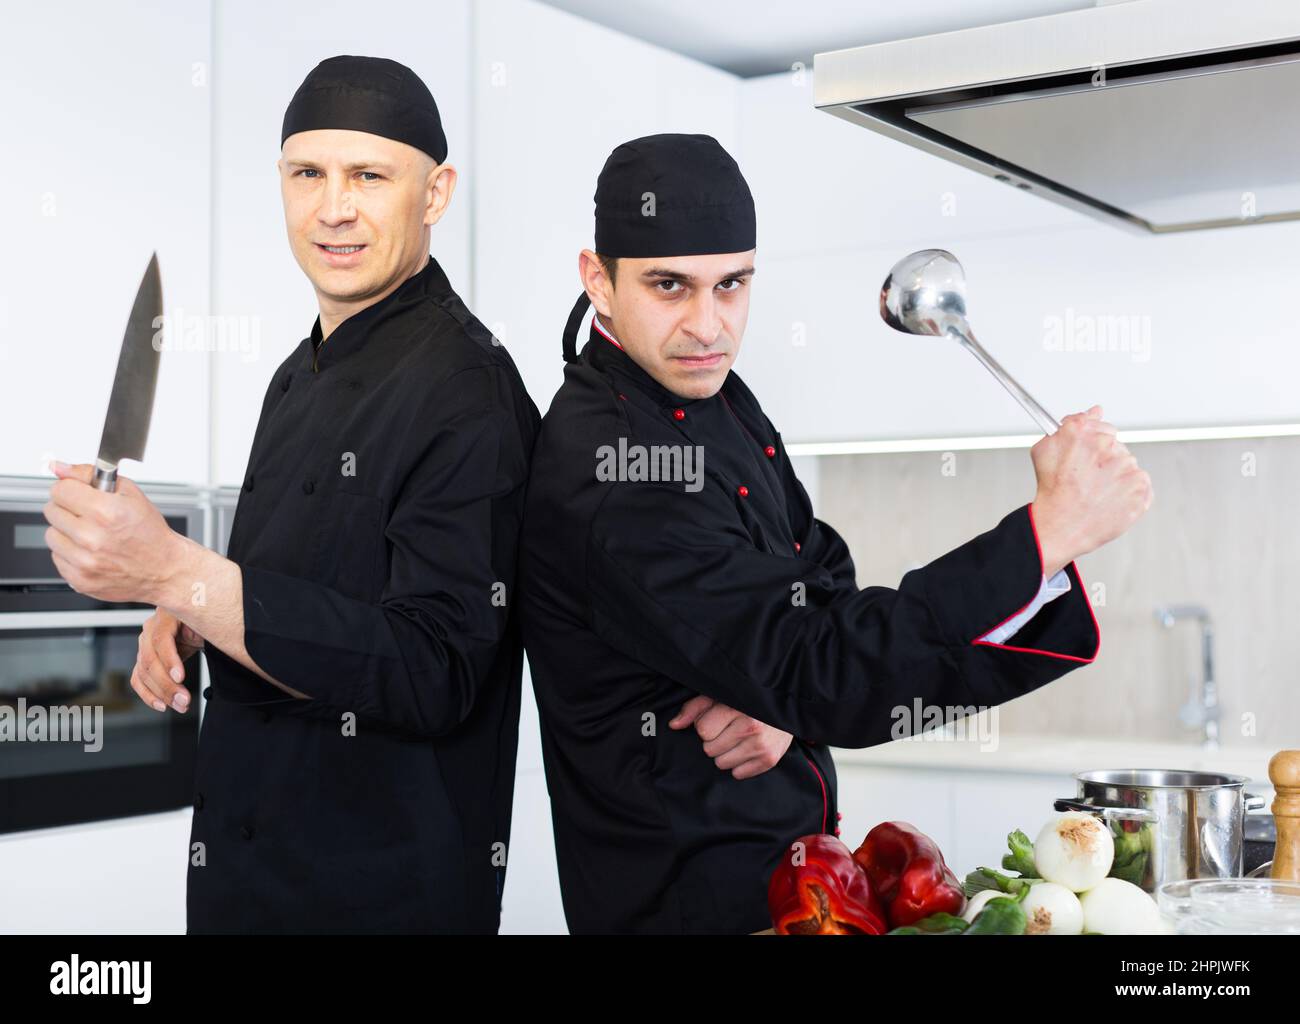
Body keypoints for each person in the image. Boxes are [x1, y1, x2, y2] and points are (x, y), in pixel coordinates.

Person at [518, 133, 1151, 934]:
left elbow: (822, 580)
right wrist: (1044, 533)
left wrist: (785, 697)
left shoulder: (712, 390)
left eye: (733, 284)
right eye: (669, 286)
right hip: (688, 904)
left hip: (799, 884)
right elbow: (823, 662)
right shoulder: (610, 467)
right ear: (597, 282)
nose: (708, 324)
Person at [43, 55, 539, 933]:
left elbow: (433, 670)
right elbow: (306, 578)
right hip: (244, 879)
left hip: (379, 896)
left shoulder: (470, 389)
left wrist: (178, 571)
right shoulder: (292, 375)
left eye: (369, 176)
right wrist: (185, 606)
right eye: (307, 173)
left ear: (435, 193)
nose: (332, 207)